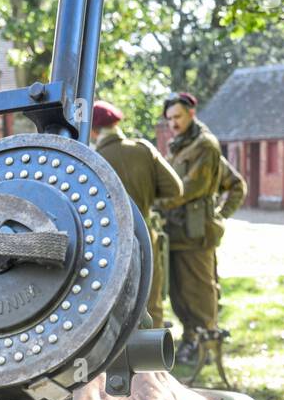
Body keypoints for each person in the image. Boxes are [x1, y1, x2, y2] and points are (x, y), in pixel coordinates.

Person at [90, 100, 183, 327]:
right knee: (152, 303)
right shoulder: (143, 149)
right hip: (146, 237)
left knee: (112, 307)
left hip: (108, 243)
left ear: (93, 130)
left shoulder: (93, 160)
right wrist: (147, 200)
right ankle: (155, 357)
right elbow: (175, 189)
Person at [156, 91, 224, 363]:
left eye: (178, 117)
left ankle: (207, 344)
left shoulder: (205, 145)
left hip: (196, 233)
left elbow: (192, 187)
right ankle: (191, 341)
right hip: (176, 231)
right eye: (170, 118)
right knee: (180, 294)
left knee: (199, 291)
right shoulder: (179, 146)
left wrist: (157, 202)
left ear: (191, 114)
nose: (173, 123)